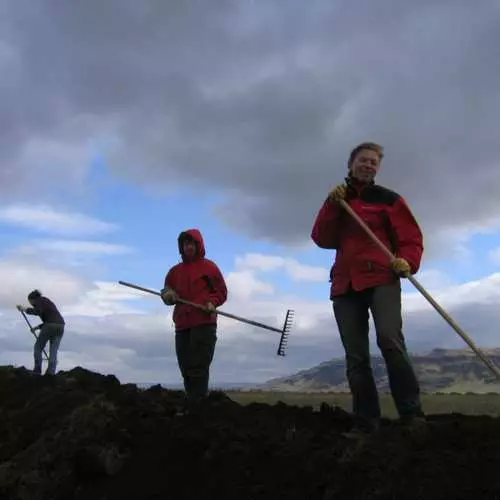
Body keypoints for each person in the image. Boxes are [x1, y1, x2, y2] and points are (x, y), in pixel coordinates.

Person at [311, 141, 426, 436]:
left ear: (378, 168)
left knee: (390, 340)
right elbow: (322, 238)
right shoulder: (339, 201)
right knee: (356, 355)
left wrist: (407, 261)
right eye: (363, 160)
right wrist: (331, 205)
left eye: (374, 162)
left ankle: (412, 414)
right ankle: (366, 420)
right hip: (345, 285)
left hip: (382, 278)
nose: (368, 165)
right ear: (351, 164)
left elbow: (411, 237)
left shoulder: (389, 200)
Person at [161, 228, 228, 413]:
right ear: (181, 247)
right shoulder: (174, 272)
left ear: (198, 245)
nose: (188, 247)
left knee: (198, 367)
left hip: (204, 323)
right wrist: (168, 295)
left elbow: (221, 292)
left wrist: (212, 303)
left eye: (191, 243)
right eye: (185, 244)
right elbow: (166, 291)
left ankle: (198, 409)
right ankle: (193, 405)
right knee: (186, 367)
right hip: (182, 324)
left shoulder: (210, 268)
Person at [17, 289, 65, 376]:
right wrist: (37, 328)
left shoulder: (38, 301)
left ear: (32, 299)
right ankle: (50, 373)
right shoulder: (47, 301)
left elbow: (38, 312)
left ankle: (37, 370)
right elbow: (50, 318)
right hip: (60, 325)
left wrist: (25, 309)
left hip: (50, 325)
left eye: (30, 302)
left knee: (38, 347)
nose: (31, 304)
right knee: (53, 350)